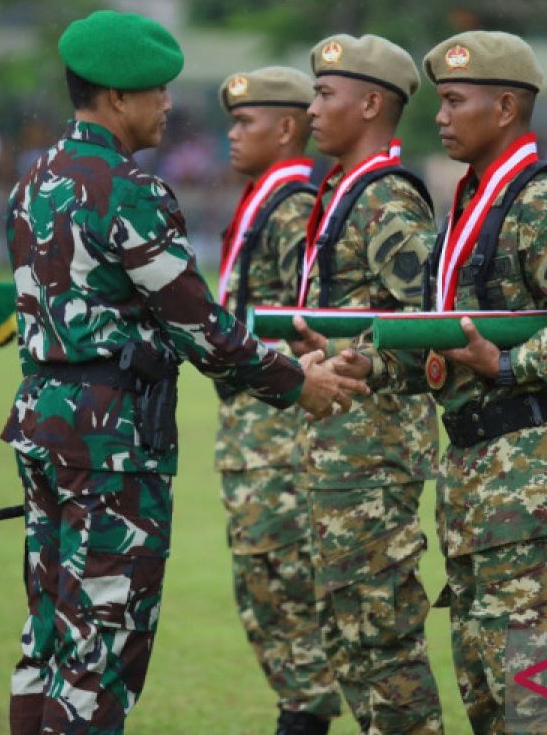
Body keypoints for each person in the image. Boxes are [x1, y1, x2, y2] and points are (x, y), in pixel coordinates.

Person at [0, 11, 366, 735]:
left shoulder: (34, 180)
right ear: (114, 98)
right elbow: (201, 327)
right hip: (110, 445)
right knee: (100, 647)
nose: (168, 105)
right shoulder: (127, 189)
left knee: (46, 633)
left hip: (45, 422)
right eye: (156, 92)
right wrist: (300, 381)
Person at [334, 31, 547, 733]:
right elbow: (445, 342)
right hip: (477, 487)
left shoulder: (540, 207)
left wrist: (510, 366)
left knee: (545, 709)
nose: (439, 118)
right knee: (489, 705)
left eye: (453, 103)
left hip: (532, 484)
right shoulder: (466, 213)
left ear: (505, 107)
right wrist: (372, 363)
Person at [293, 33, 444, 734]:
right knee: (350, 635)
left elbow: (425, 321)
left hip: (374, 451)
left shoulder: (386, 201)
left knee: (380, 638)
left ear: (372, 103)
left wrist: (347, 346)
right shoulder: (346, 192)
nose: (312, 107)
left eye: (326, 94)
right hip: (342, 447)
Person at [214, 66, 342, 735]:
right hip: (254, 442)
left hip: (281, 445)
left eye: (245, 123)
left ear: (287, 127)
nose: (231, 136)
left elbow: (307, 326)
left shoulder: (292, 207)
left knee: (291, 607)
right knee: (267, 603)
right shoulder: (266, 200)